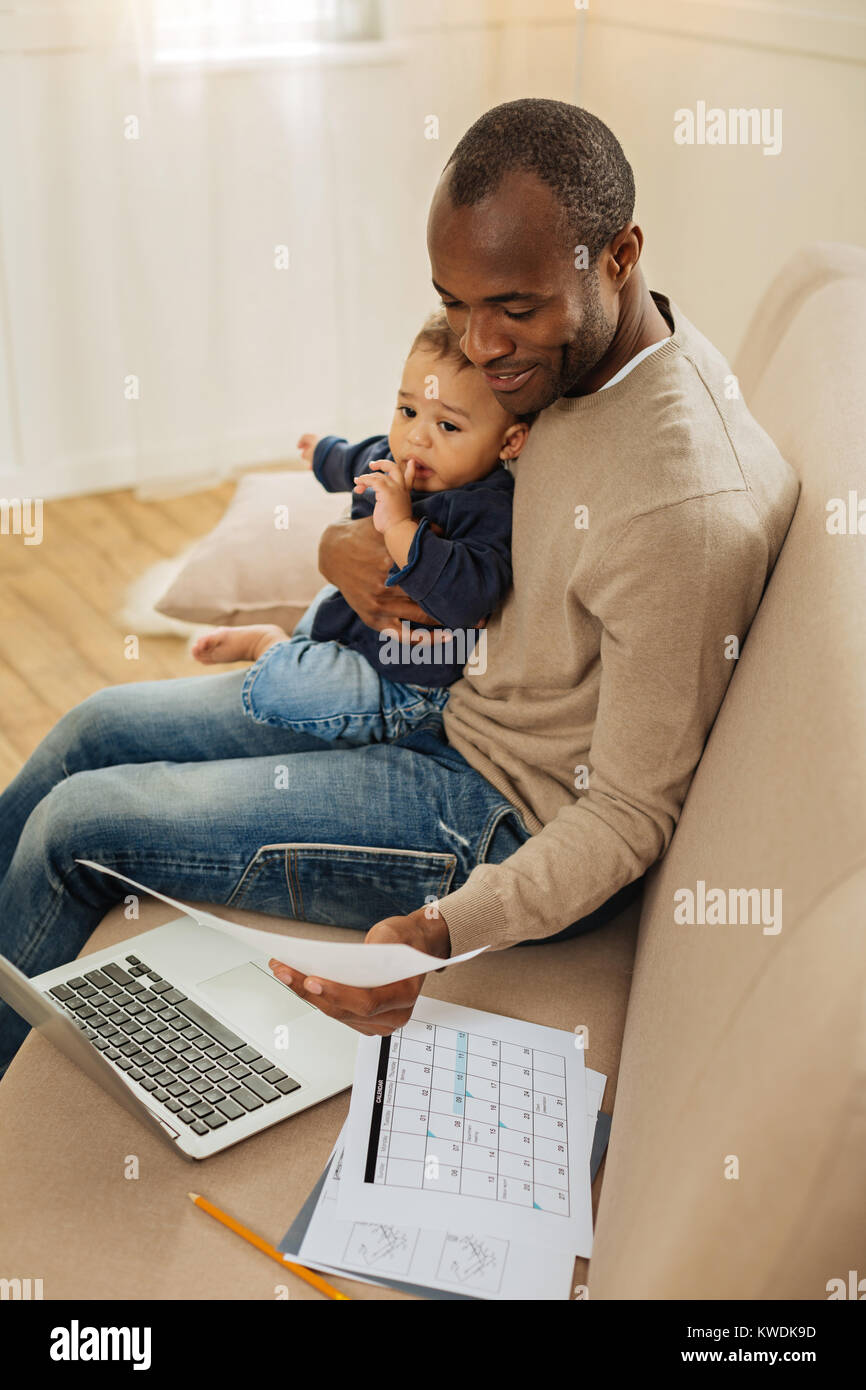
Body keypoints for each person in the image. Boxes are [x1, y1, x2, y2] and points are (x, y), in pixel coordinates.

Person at [0, 99, 799, 1077]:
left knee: (79, 827)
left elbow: (627, 816)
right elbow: (422, 471)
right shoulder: (569, 357)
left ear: (619, 256)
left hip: (488, 809)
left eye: (512, 307)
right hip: (427, 696)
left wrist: (438, 930)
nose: (480, 345)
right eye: (455, 302)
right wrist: (343, 549)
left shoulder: (680, 506)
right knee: (89, 726)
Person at [190, 310, 529, 744]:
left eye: (447, 425)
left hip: (403, 684)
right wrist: (321, 453)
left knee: (281, 691)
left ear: (508, 441)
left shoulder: (487, 507)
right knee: (321, 613)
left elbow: (467, 597)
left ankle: (267, 647)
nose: (416, 438)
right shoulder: (392, 456)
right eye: (408, 410)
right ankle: (295, 648)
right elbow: (350, 461)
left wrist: (400, 525)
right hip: (344, 626)